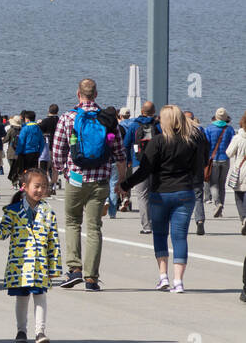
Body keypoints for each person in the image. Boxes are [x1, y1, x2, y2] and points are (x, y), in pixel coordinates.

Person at [119, 104, 210, 294]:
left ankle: (163, 277)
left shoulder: (157, 142)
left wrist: (125, 185)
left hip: (160, 194)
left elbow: (144, 170)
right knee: (180, 237)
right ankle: (179, 281)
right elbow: (198, 170)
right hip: (184, 194)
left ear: (165, 120)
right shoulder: (191, 142)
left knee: (160, 234)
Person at [50, 79, 127, 291]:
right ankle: (91, 278)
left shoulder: (67, 117)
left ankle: (74, 269)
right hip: (100, 180)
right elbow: (120, 153)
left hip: (75, 178)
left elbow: (57, 151)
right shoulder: (108, 120)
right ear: (96, 94)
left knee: (73, 222)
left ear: (78, 94)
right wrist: (120, 181)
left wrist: (64, 171)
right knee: (94, 227)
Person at [0, 168, 60, 343]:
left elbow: (54, 242)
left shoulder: (48, 212)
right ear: (24, 187)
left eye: (44, 186)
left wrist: (54, 267)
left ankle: (40, 332)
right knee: (21, 298)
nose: (40, 190)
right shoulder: (12, 211)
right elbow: (2, 233)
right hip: (19, 265)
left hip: (40, 264)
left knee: (40, 296)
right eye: (37, 186)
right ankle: (21, 331)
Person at [121, 101, 159, 233]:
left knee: (142, 196)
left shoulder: (133, 126)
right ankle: (159, 223)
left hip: (138, 164)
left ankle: (147, 226)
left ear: (142, 111)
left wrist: (128, 162)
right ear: (153, 112)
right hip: (156, 165)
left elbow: (125, 145)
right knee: (155, 194)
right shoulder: (158, 126)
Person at [205, 107, 235, 220]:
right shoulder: (230, 129)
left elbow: (206, 144)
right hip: (225, 159)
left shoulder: (209, 128)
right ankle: (221, 209)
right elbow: (232, 143)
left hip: (213, 159)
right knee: (222, 184)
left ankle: (217, 204)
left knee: (213, 184)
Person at [226, 110, 246, 236]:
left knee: (238, 195)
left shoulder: (238, 138)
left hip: (241, 167)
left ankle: (243, 217)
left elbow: (229, 152)